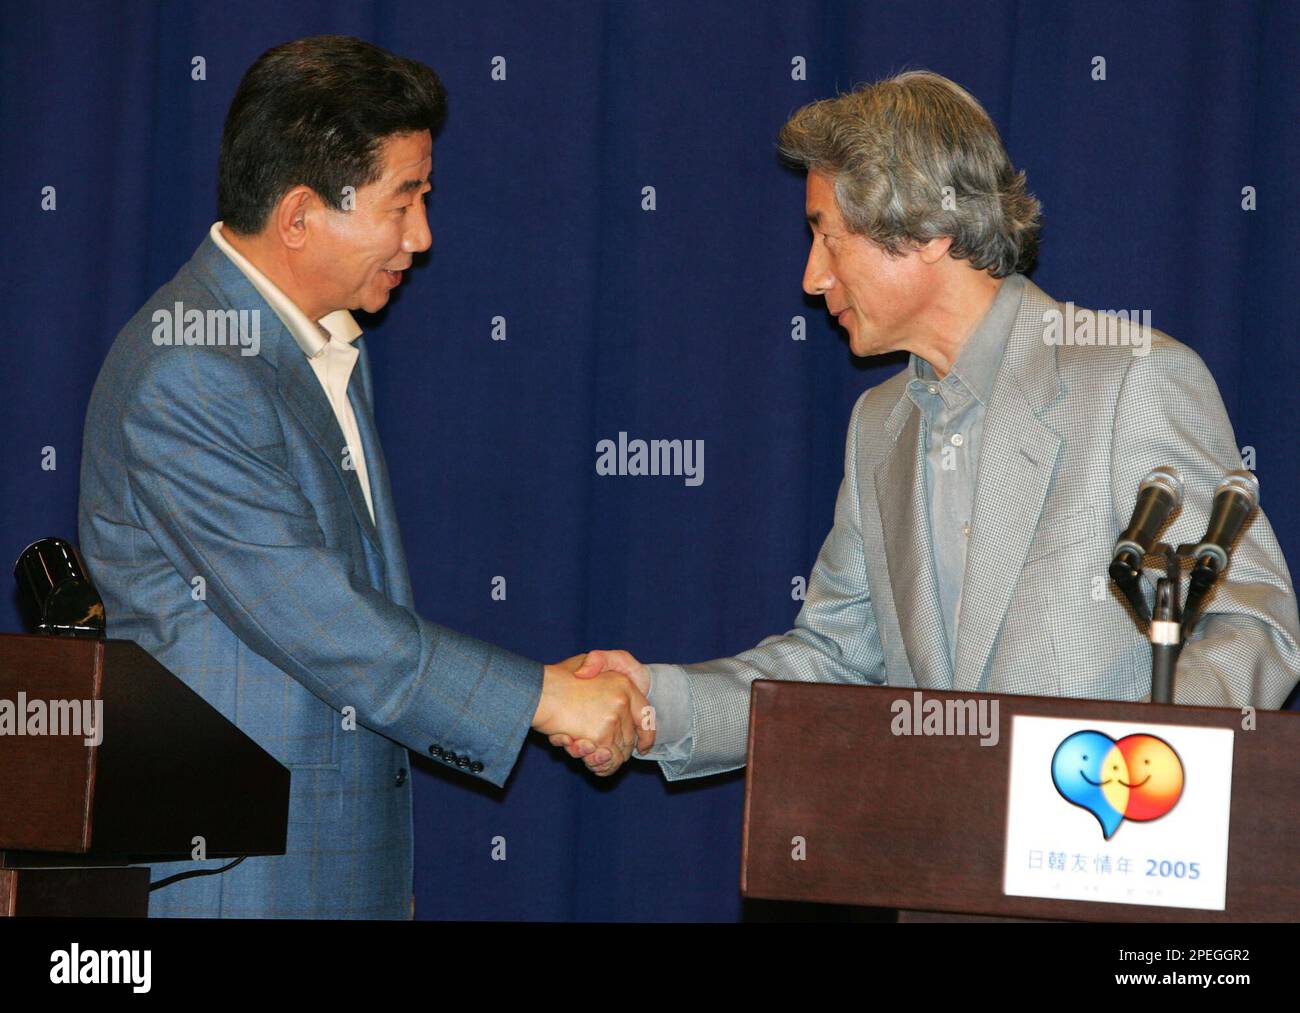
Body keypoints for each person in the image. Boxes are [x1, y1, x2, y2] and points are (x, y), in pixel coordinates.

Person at [553, 70, 1300, 779]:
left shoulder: (1131, 377)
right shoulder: (878, 425)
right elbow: (832, 660)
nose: (812, 278)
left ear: (929, 229)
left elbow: (1255, 626)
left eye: (828, 235)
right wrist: (652, 702)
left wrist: (1128, 769)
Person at [77, 35, 652, 918]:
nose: (423, 237)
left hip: (333, 871)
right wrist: (545, 699)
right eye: (404, 201)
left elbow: (359, 619)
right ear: (301, 213)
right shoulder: (189, 369)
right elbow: (328, 625)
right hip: (243, 883)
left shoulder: (319, 341)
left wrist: (545, 691)